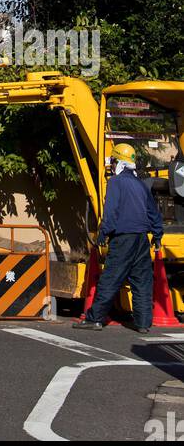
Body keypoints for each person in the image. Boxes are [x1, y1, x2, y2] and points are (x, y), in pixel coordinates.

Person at [74, 142, 164, 333]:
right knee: (142, 282)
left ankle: (95, 319)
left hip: (123, 238)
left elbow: (111, 211)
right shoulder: (141, 184)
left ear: (119, 162)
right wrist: (157, 235)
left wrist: (103, 232)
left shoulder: (115, 183)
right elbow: (153, 213)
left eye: (113, 162)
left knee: (111, 278)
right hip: (141, 239)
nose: (112, 166)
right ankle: (143, 324)